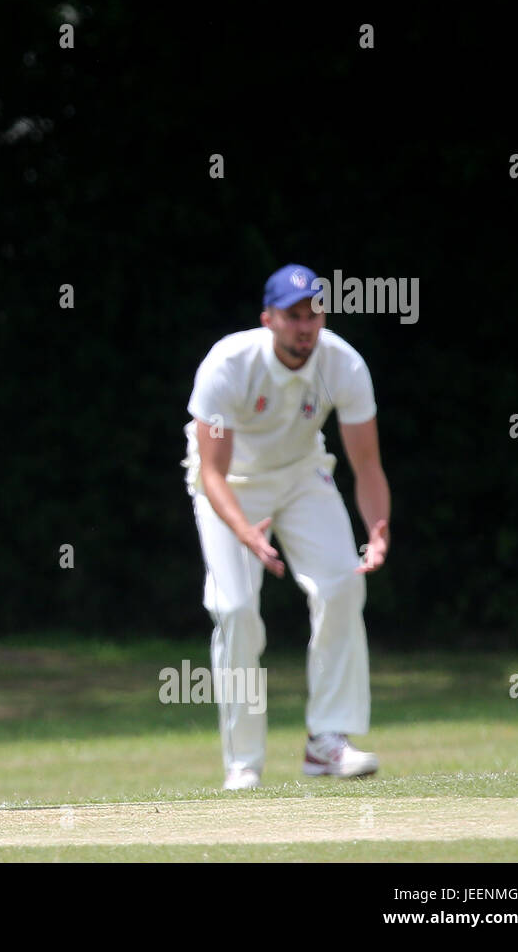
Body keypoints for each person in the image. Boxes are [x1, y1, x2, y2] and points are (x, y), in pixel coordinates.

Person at [182, 264, 391, 790]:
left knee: (344, 583)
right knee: (234, 611)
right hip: (229, 486)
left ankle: (328, 742)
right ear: (268, 319)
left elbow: (367, 466)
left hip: (301, 476)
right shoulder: (229, 364)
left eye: (313, 314)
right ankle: (244, 763)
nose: (305, 326)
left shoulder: (343, 363)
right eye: (293, 316)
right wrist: (247, 532)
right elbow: (211, 471)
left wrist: (379, 528)